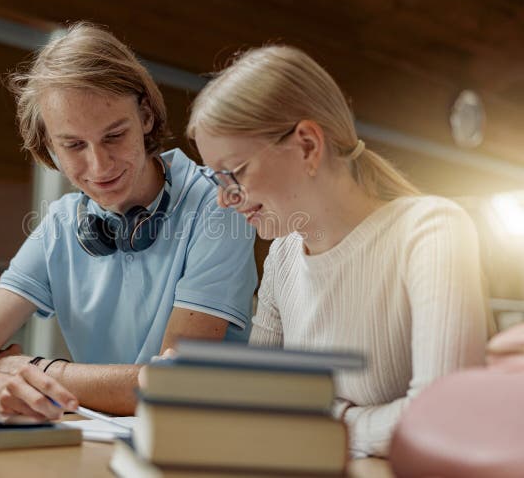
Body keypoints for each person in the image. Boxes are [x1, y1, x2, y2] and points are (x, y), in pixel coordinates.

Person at [0, 23, 257, 418]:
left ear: (146, 116)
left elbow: (172, 386)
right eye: (74, 145)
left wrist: (29, 369)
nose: (99, 166)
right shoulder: (61, 225)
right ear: (50, 145)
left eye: (114, 136)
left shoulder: (219, 205)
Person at [186, 45, 489, 457]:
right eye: (215, 177)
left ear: (308, 145)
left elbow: (441, 417)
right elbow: (262, 404)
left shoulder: (431, 231)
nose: (224, 198)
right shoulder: (283, 258)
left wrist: (330, 421)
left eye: (234, 173)